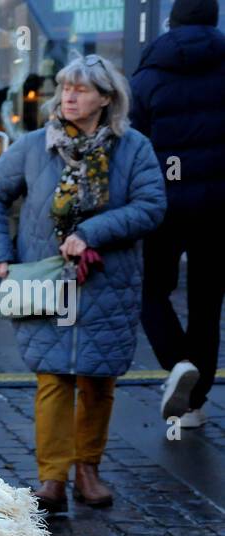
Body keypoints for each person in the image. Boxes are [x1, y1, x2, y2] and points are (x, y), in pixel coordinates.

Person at [0, 55, 166, 512]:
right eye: (65, 88)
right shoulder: (34, 145)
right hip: (45, 278)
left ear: (106, 98)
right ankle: (52, 479)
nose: (69, 97)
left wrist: (92, 232)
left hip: (109, 283)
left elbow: (151, 206)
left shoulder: (134, 148)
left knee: (98, 379)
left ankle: (88, 470)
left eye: (81, 89)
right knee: (53, 377)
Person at [130, 0, 225, 428]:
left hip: (163, 203)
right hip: (218, 207)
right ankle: (195, 404)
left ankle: (177, 363)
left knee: (150, 290)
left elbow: (133, 142)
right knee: (207, 303)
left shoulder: (149, 74)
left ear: (172, 22)